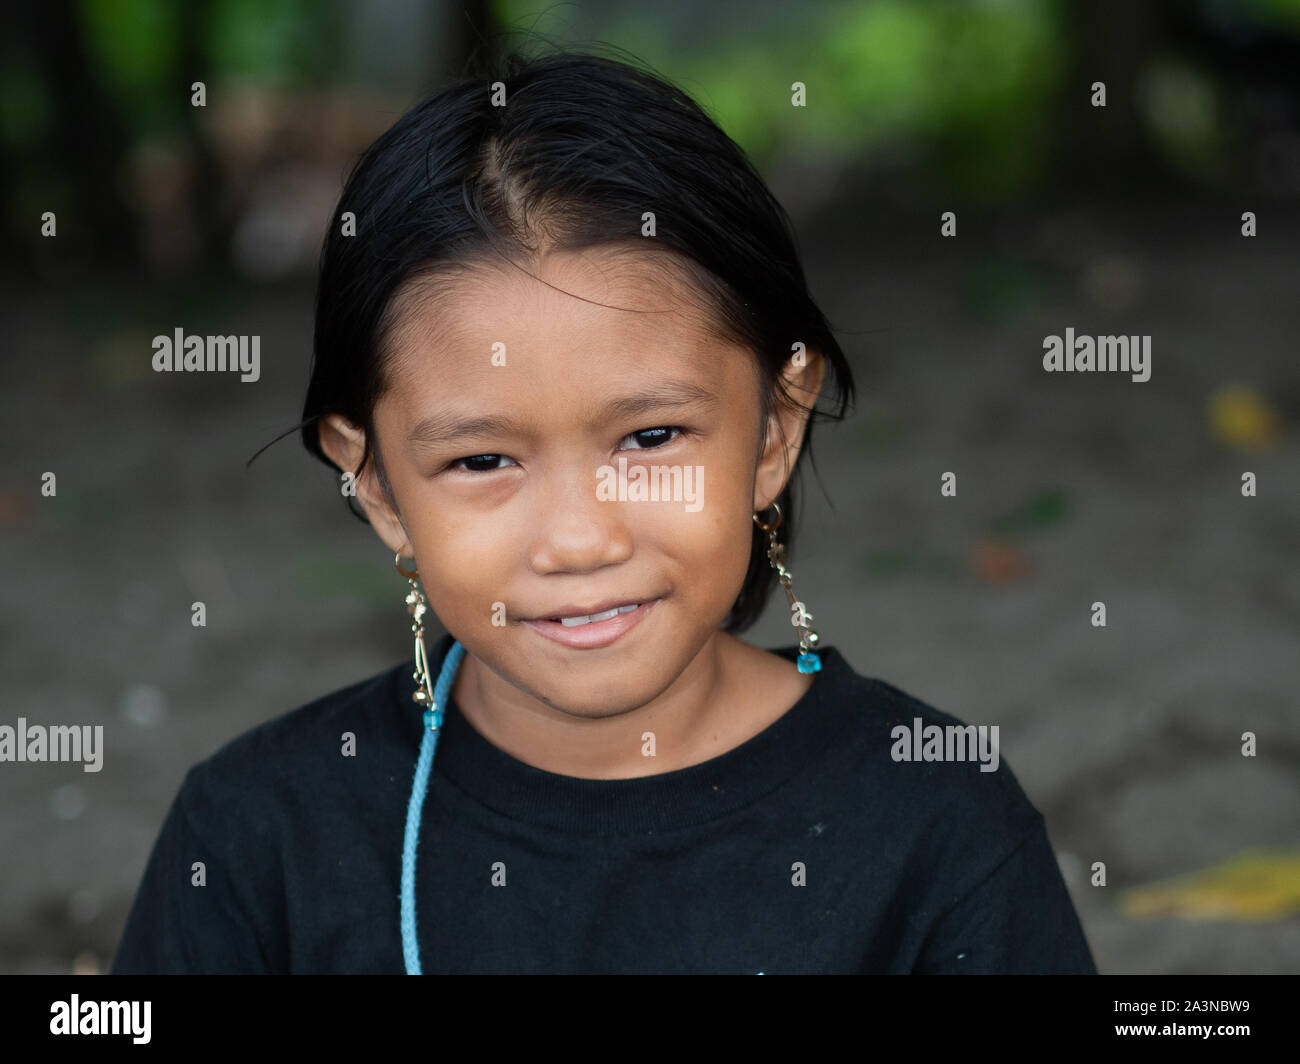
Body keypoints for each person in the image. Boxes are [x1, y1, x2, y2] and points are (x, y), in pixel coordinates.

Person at [112, 47, 1096, 974]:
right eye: (483, 457)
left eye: (651, 438)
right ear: (375, 485)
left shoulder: (936, 823)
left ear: (771, 431)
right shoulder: (255, 835)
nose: (580, 538)